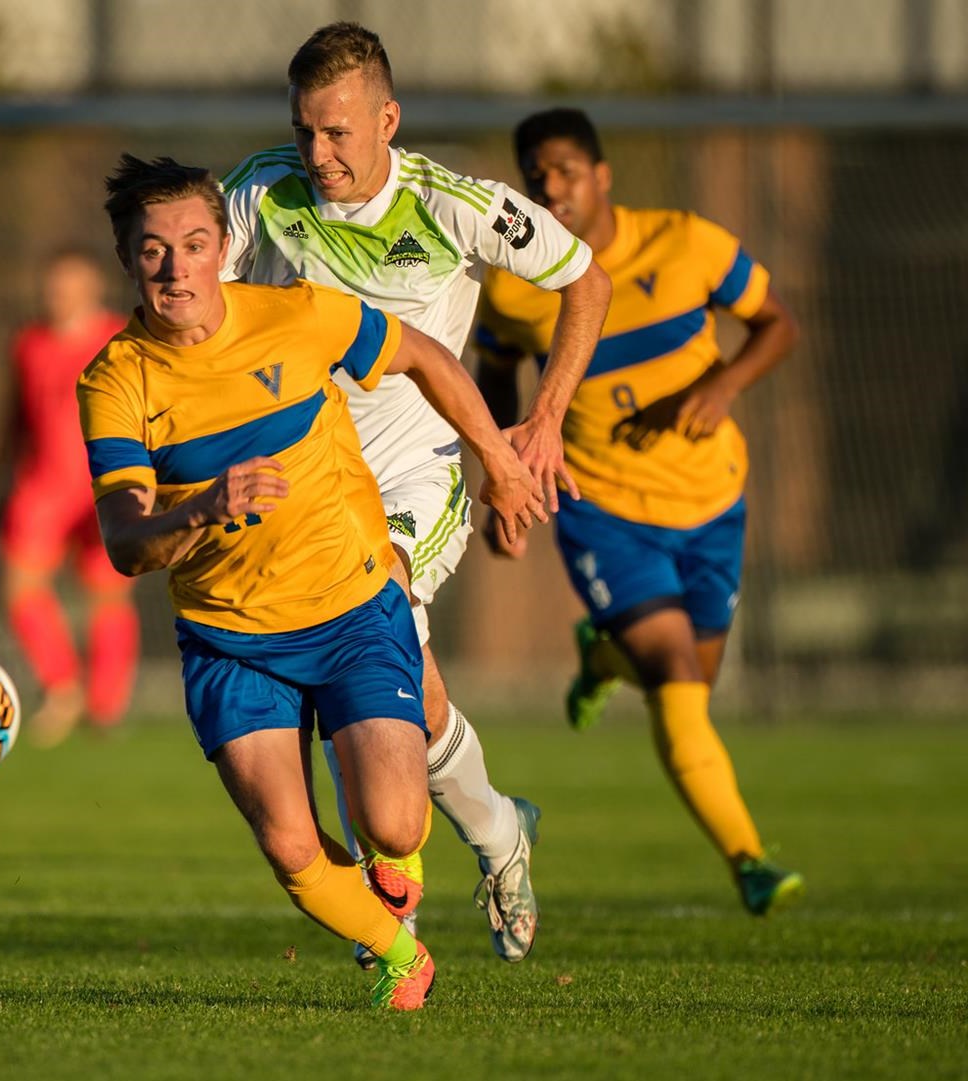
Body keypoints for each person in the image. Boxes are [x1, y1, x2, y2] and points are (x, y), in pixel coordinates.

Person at [82, 155, 543, 1010]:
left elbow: (427, 357)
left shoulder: (296, 313)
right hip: (229, 637)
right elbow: (123, 543)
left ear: (223, 244)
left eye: (193, 243)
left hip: (351, 606)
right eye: (153, 250)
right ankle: (401, 955)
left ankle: (419, 848)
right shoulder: (114, 380)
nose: (176, 268)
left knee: (396, 824)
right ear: (126, 257)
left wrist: (499, 461)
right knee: (291, 846)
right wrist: (201, 511)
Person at [221, 21, 612, 965]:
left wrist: (542, 422)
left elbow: (587, 281)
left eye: (340, 133)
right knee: (414, 695)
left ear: (387, 120)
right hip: (298, 479)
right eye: (307, 130)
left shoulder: (452, 205)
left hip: (410, 477)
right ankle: (499, 832)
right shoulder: (259, 191)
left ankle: (385, 897)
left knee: (360, 614)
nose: (319, 153)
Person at [475, 108, 806, 915]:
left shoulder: (687, 242)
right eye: (535, 174)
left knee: (695, 674)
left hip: (712, 498)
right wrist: (501, 476)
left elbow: (776, 325)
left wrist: (720, 385)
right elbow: (494, 374)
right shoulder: (517, 285)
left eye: (564, 170)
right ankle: (749, 860)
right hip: (604, 506)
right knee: (676, 677)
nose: (550, 187)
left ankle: (601, 659)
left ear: (602, 174)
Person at [0, 250, 136, 748]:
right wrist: (2, 476)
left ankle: (105, 705)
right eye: (53, 285)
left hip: (109, 481)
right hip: (44, 483)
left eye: (71, 285)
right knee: (19, 586)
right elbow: (16, 416)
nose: (59, 295)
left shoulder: (122, 338)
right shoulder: (29, 343)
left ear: (94, 287)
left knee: (106, 593)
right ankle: (62, 688)